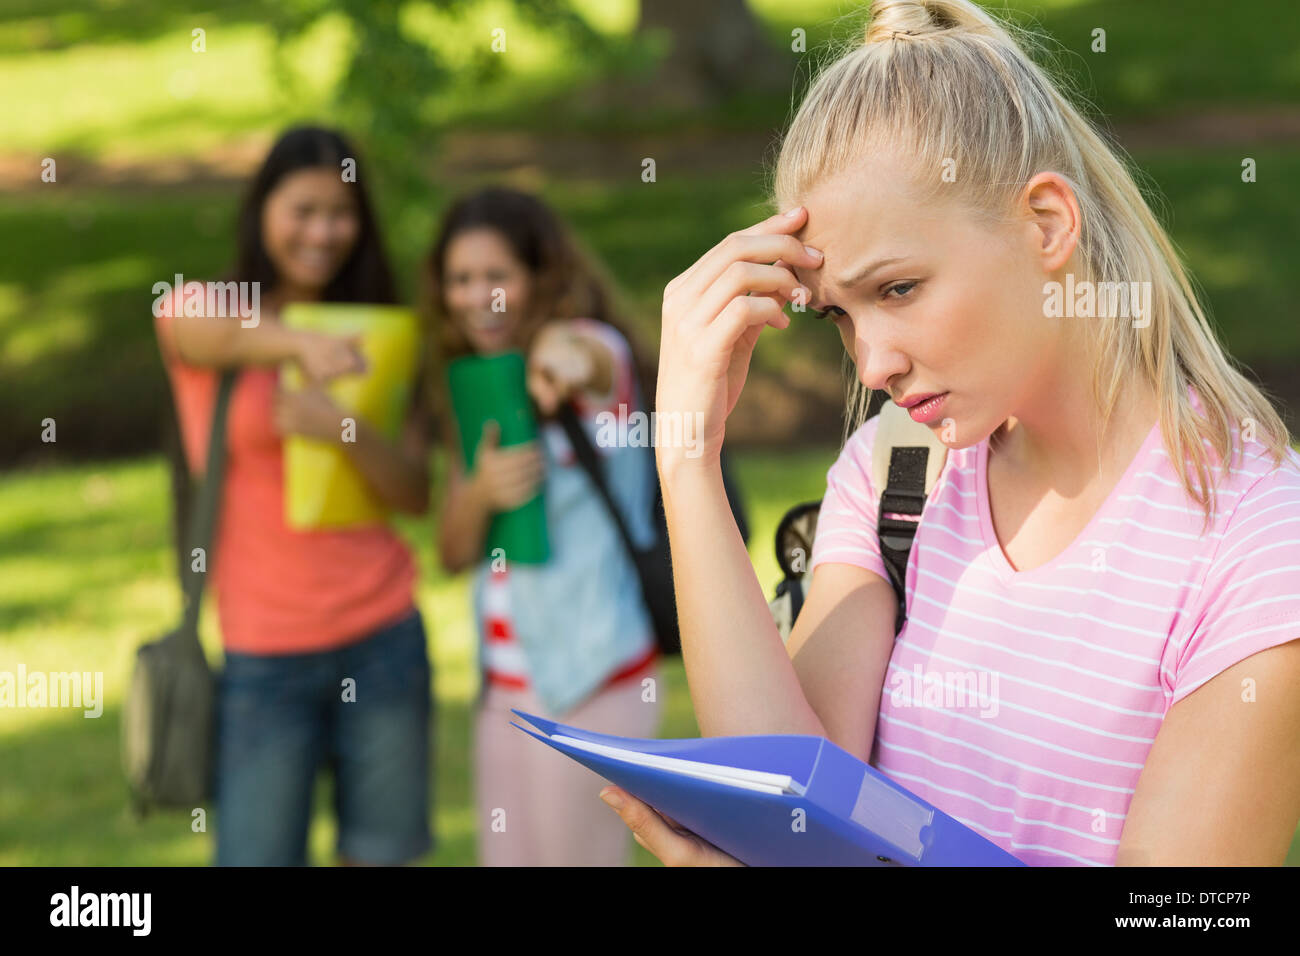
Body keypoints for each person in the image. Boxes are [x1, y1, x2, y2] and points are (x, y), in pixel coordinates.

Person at [599, 0, 1300, 866]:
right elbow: (794, 810)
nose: (872, 365)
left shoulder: (1257, 541)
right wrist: (686, 458)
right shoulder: (899, 472)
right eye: (837, 316)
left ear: (1047, 223)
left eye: (896, 290)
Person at [153, 125, 434, 866]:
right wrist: (299, 345)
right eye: (301, 210)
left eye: (339, 212)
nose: (322, 231)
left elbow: (414, 492)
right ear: (262, 211)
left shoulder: (379, 329)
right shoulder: (223, 314)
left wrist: (344, 427)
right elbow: (183, 317)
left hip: (384, 638)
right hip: (265, 653)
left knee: (382, 855)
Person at [426, 187, 662, 866]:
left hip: (593, 680)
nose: (478, 297)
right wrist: (478, 493)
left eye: (497, 276)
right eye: (460, 280)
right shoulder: (477, 386)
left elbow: (588, 356)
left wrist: (558, 359)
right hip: (503, 687)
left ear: (538, 277)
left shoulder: (594, 357)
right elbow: (449, 552)